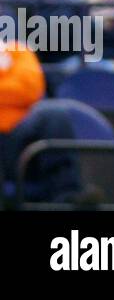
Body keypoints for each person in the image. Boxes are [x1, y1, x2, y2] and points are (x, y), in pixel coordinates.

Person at [0, 39, 80, 203]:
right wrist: (11, 80)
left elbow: (31, 90)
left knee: (53, 114)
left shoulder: (17, 50)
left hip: (16, 135)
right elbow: (20, 90)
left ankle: (67, 198)